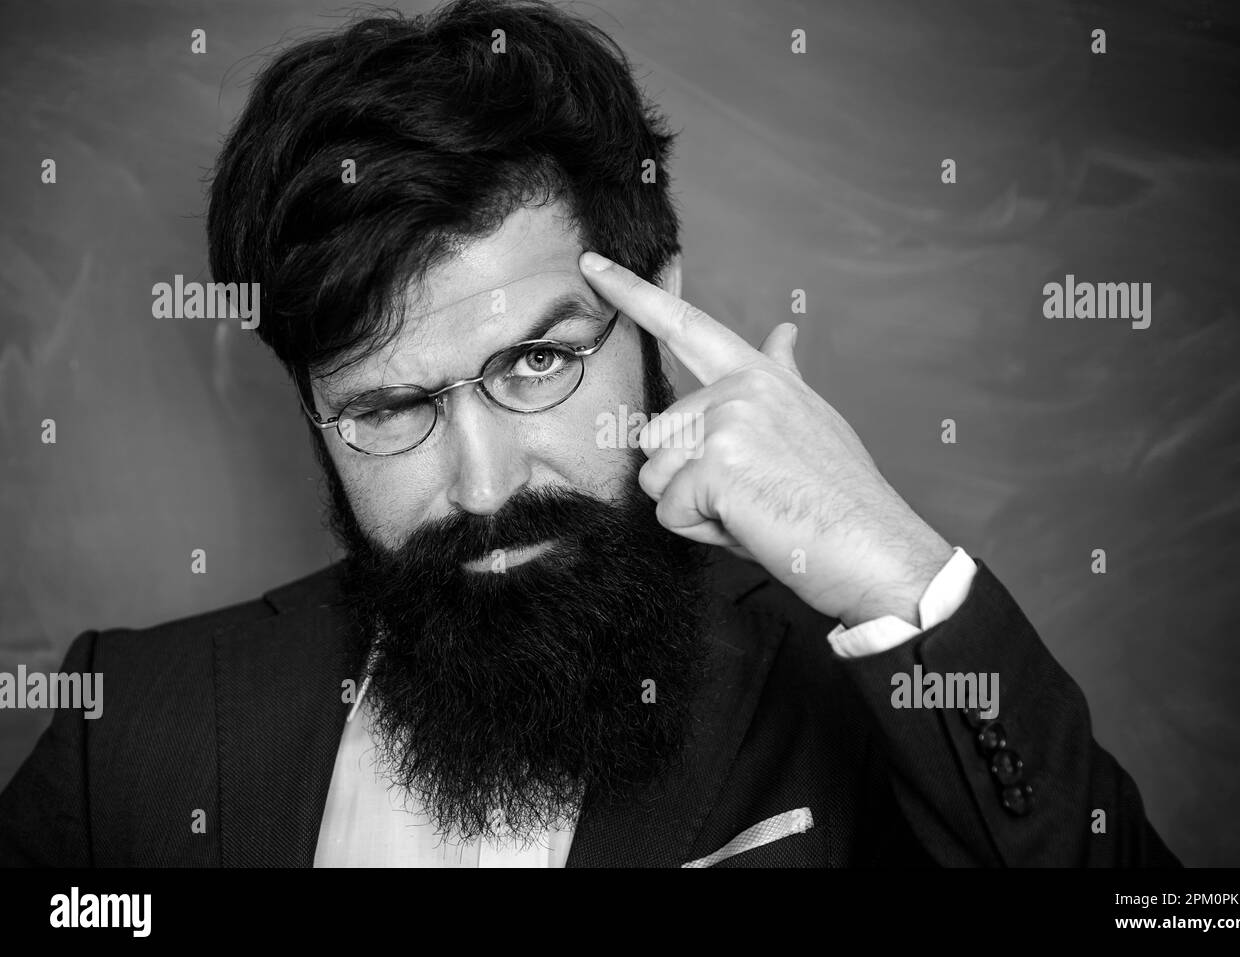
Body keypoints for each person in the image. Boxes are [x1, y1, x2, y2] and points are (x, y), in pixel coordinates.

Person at [0, 0, 1178, 868]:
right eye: (389, 407)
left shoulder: (862, 695)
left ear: (657, 300)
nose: (480, 483)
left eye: (536, 362)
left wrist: (893, 564)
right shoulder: (137, 731)